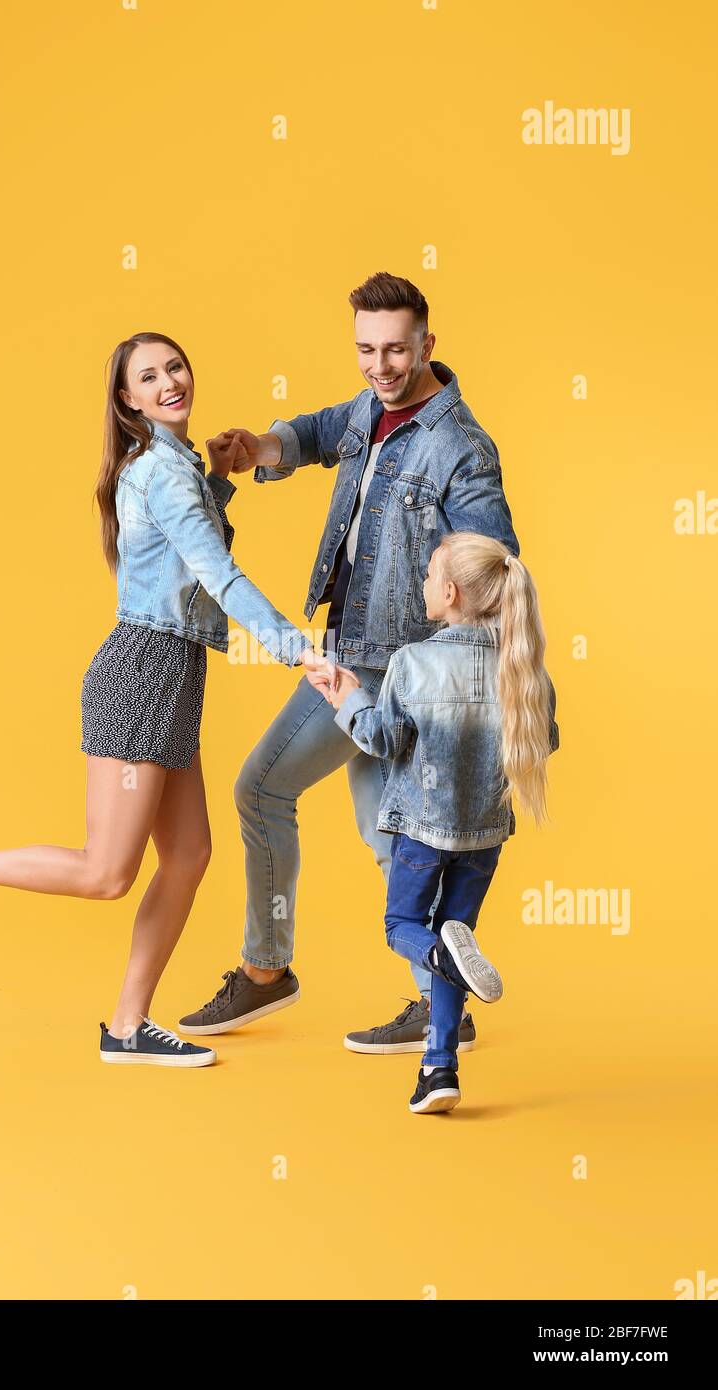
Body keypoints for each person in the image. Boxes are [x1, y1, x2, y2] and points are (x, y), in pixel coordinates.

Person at [0, 331, 330, 1068]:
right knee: (106, 872)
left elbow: (184, 552)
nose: (170, 380)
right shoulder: (164, 475)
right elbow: (221, 578)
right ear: (128, 399)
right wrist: (301, 650)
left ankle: (127, 1026)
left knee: (190, 854)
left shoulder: (173, 468)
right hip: (143, 674)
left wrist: (227, 472)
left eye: (175, 365)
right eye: (150, 375)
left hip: (170, 678)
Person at [178, 272, 519, 1055]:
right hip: (359, 656)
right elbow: (315, 432)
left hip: (383, 669)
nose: (380, 364)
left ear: (429, 344)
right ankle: (441, 1006)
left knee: (261, 788)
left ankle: (267, 973)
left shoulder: (460, 448)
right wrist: (257, 447)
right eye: (366, 348)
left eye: (396, 349)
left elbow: (494, 565)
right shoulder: (371, 409)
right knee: (390, 833)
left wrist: (443, 672)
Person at [327, 532, 560, 1112]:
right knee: (456, 932)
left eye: (430, 574)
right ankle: (439, 1070)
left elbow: (382, 741)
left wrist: (347, 699)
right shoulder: (523, 667)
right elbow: (542, 742)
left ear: (450, 592)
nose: (424, 584)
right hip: (484, 837)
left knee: (403, 925)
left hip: (422, 833)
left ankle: (440, 966)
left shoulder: (412, 662)